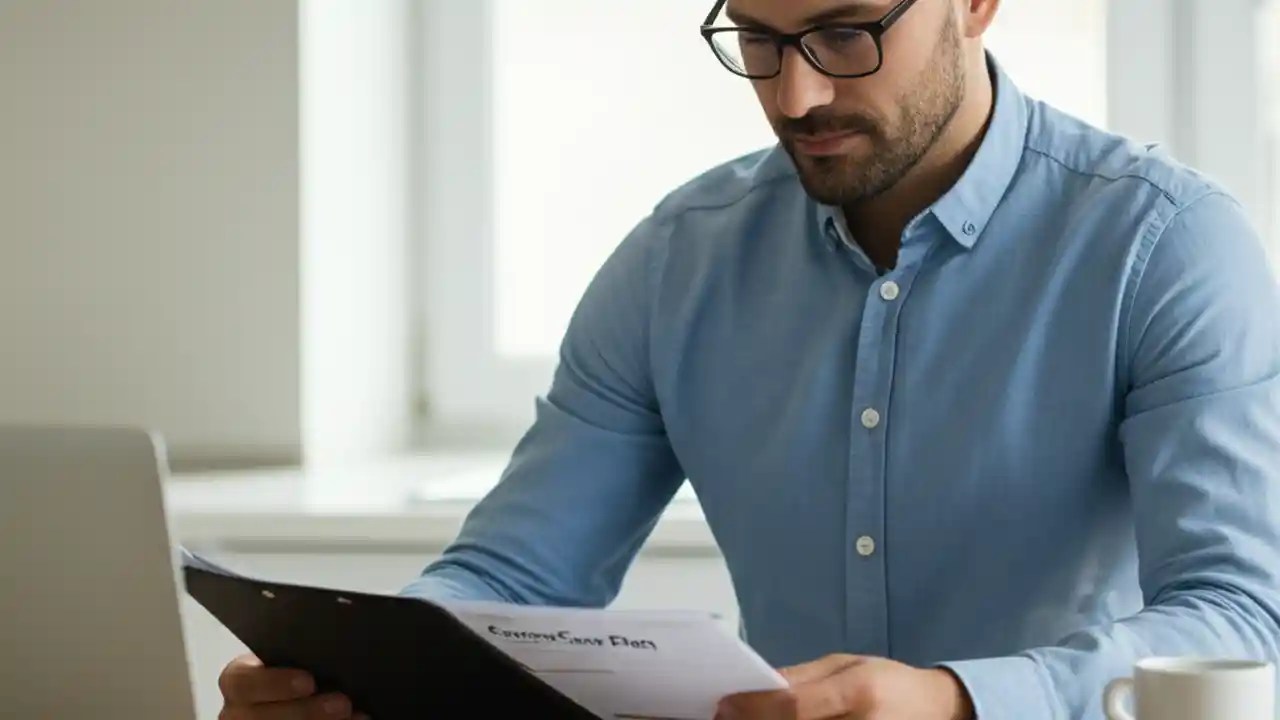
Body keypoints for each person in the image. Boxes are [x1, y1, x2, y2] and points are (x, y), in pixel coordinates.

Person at [217, 0, 1280, 718]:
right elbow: (515, 577)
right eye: (758, 39)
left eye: (845, 34)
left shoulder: (1163, 243)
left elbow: (1243, 618)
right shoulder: (679, 256)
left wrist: (955, 699)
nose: (795, 97)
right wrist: (363, 676)